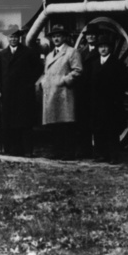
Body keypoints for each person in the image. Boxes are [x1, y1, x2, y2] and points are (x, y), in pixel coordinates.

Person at [0, 26, 41, 157]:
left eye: (15, 37)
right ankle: (13, 150)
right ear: (7, 38)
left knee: (25, 123)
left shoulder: (28, 52)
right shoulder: (2, 54)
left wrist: (29, 84)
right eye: (11, 37)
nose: (13, 39)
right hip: (8, 94)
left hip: (24, 95)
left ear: (19, 38)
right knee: (10, 123)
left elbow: (38, 69)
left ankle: (27, 151)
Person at [37, 25, 83, 160]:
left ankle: (68, 153)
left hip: (65, 94)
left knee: (66, 125)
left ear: (64, 37)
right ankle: (57, 152)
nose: (56, 39)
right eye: (54, 36)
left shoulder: (72, 52)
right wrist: (44, 82)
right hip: (51, 94)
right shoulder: (50, 55)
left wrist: (64, 80)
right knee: (55, 125)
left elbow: (78, 70)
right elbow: (46, 73)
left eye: (59, 36)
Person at [87, 31, 128, 164]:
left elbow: (123, 83)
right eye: (100, 47)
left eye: (105, 46)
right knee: (99, 129)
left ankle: (113, 156)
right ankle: (101, 154)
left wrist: (117, 98)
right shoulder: (93, 64)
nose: (103, 49)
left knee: (112, 130)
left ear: (110, 48)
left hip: (112, 103)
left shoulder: (117, 64)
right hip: (97, 103)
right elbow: (89, 83)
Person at [74, 25, 101, 159]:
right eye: (88, 35)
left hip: (95, 90)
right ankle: (85, 150)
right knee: (83, 122)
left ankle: (98, 151)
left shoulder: (101, 50)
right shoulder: (80, 52)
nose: (91, 37)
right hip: (83, 91)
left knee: (96, 122)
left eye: (93, 34)